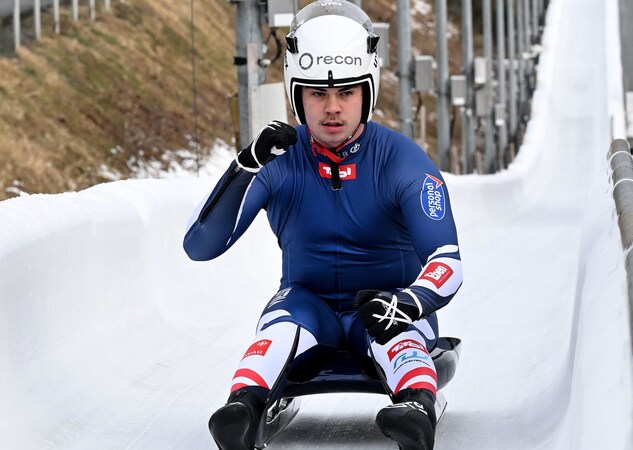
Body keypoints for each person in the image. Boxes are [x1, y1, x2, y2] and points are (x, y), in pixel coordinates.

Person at [183, 2, 462, 449]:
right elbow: (200, 245)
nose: (332, 108)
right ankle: (242, 407)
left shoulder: (404, 162)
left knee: (392, 328)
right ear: (297, 95)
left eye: (346, 93)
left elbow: (447, 259)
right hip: (309, 306)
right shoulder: (275, 162)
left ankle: (414, 407)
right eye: (317, 93)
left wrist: (407, 302)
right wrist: (244, 168)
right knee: (282, 318)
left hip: (387, 304)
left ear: (367, 93)